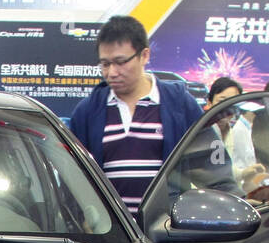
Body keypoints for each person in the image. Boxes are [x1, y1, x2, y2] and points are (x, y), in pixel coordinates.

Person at [67, 15, 204, 218]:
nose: (112, 72)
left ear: (144, 55)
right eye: (105, 64)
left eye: (120, 62)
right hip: (113, 236)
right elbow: (74, 179)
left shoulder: (180, 105)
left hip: (168, 234)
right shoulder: (87, 112)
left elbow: (210, 168)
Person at [206, 76, 269, 199]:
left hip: (222, 197)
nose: (226, 107)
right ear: (209, 103)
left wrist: (245, 174)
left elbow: (223, 167)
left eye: (232, 102)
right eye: (221, 101)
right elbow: (211, 173)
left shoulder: (229, 132)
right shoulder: (203, 132)